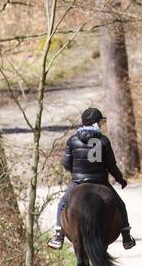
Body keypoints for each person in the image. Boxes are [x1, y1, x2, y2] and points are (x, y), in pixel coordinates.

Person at [48, 107, 136, 250]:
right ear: (95, 123)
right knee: (120, 205)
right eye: (100, 122)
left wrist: (75, 172)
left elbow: (65, 163)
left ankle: (58, 236)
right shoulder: (104, 140)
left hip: (77, 182)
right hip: (100, 181)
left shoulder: (72, 140)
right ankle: (126, 236)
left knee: (62, 204)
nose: (101, 125)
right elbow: (111, 166)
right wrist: (121, 180)